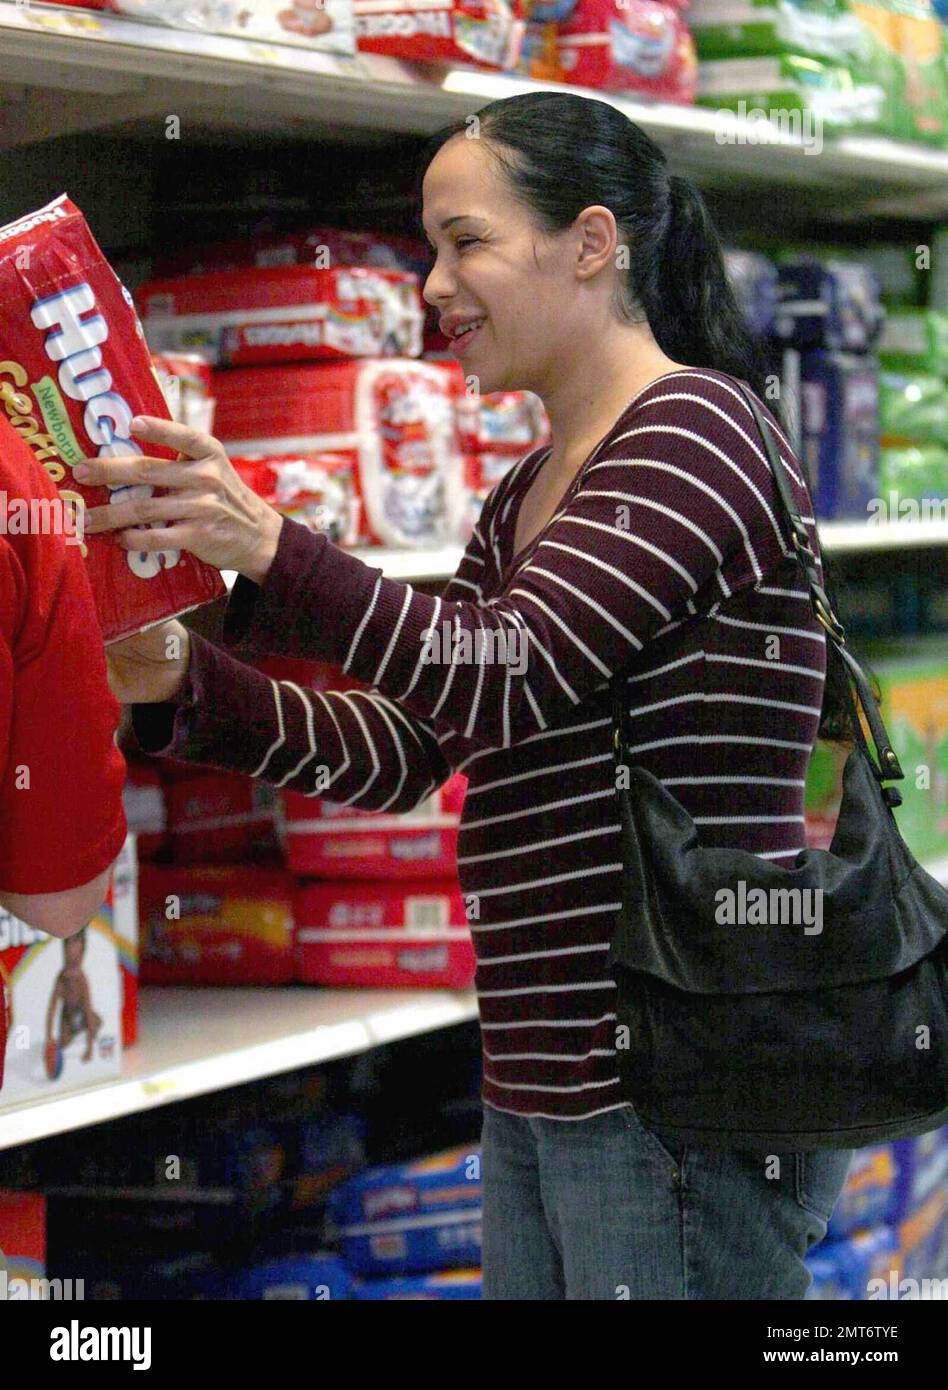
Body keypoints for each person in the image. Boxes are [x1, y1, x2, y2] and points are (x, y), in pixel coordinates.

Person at [83, 91, 854, 1299]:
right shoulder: (528, 489)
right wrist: (189, 678)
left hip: (675, 1086)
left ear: (592, 242)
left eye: (464, 241)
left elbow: (509, 667)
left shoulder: (698, 432)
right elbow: (408, 750)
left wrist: (274, 550)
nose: (433, 285)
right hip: (546, 1080)